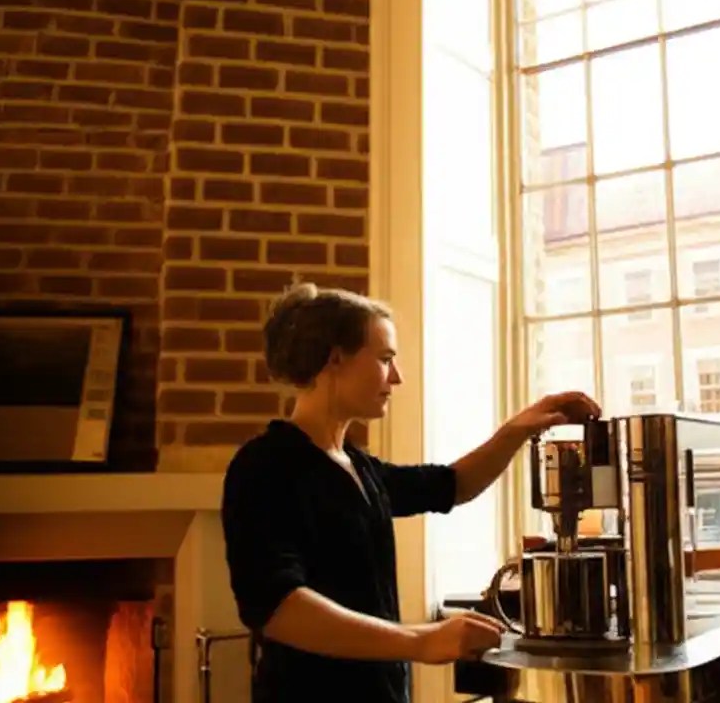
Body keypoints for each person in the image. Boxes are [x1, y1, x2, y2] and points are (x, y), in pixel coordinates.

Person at [220, 283, 600, 703]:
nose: (396, 377)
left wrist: (521, 427)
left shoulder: (359, 467)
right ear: (335, 358)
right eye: (385, 359)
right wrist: (421, 641)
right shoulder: (264, 466)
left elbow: (452, 485)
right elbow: (275, 608)